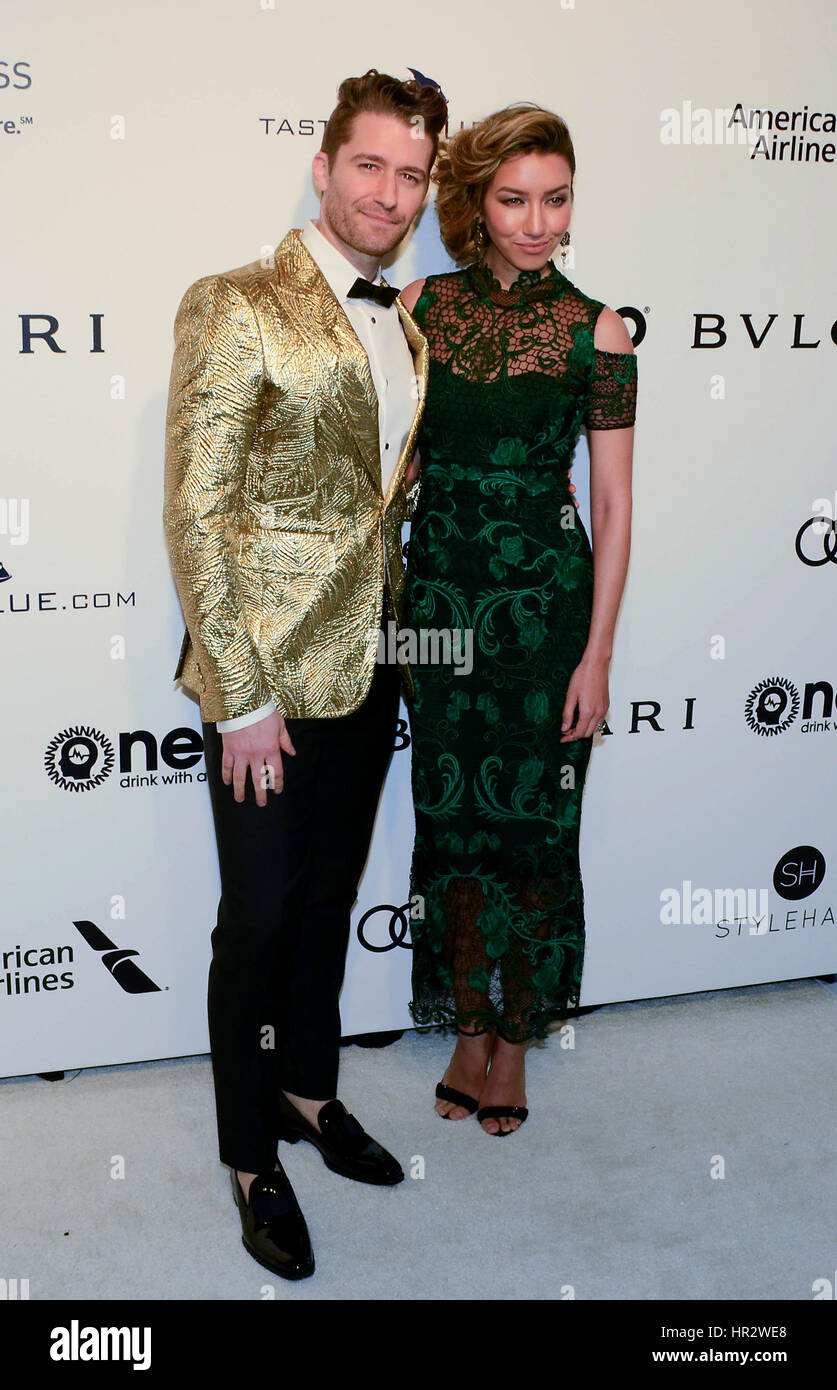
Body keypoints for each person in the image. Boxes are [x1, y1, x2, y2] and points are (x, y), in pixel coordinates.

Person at [163, 69, 447, 1277]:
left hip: (370, 663)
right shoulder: (236, 303)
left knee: (328, 904)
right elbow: (197, 511)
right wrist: (243, 699)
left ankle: (312, 1094)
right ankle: (248, 1154)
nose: (390, 193)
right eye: (370, 165)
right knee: (259, 921)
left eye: (413, 173)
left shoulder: (411, 320)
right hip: (264, 691)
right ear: (324, 167)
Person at [400, 104, 637, 1136]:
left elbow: (617, 504)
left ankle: (515, 1041)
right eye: (513, 199)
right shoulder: (417, 307)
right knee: (449, 815)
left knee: (538, 833)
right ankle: (464, 1023)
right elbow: (389, 467)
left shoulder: (600, 330)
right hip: (438, 602)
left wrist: (599, 655)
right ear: (475, 203)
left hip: (545, 610)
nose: (536, 221)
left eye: (556, 197)